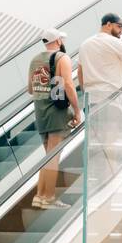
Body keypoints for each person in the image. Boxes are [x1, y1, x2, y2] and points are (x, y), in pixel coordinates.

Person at [25, 28, 80, 209]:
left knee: (48, 157)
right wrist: (77, 110)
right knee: (53, 158)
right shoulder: (61, 58)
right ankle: (48, 197)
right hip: (56, 112)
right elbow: (69, 85)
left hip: (40, 112)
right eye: (61, 40)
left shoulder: (34, 60)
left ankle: (39, 196)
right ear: (57, 41)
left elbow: (31, 90)